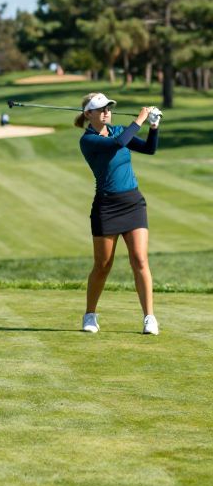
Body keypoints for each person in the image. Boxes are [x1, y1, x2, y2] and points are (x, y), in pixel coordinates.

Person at [75, 93, 161, 335]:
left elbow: (149, 149)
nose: (106, 111)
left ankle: (149, 318)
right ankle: (90, 315)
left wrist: (153, 126)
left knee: (140, 260)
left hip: (133, 202)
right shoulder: (88, 140)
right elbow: (117, 145)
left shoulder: (118, 131)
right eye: (100, 108)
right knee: (103, 265)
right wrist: (140, 119)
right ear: (88, 114)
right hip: (107, 207)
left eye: (108, 107)